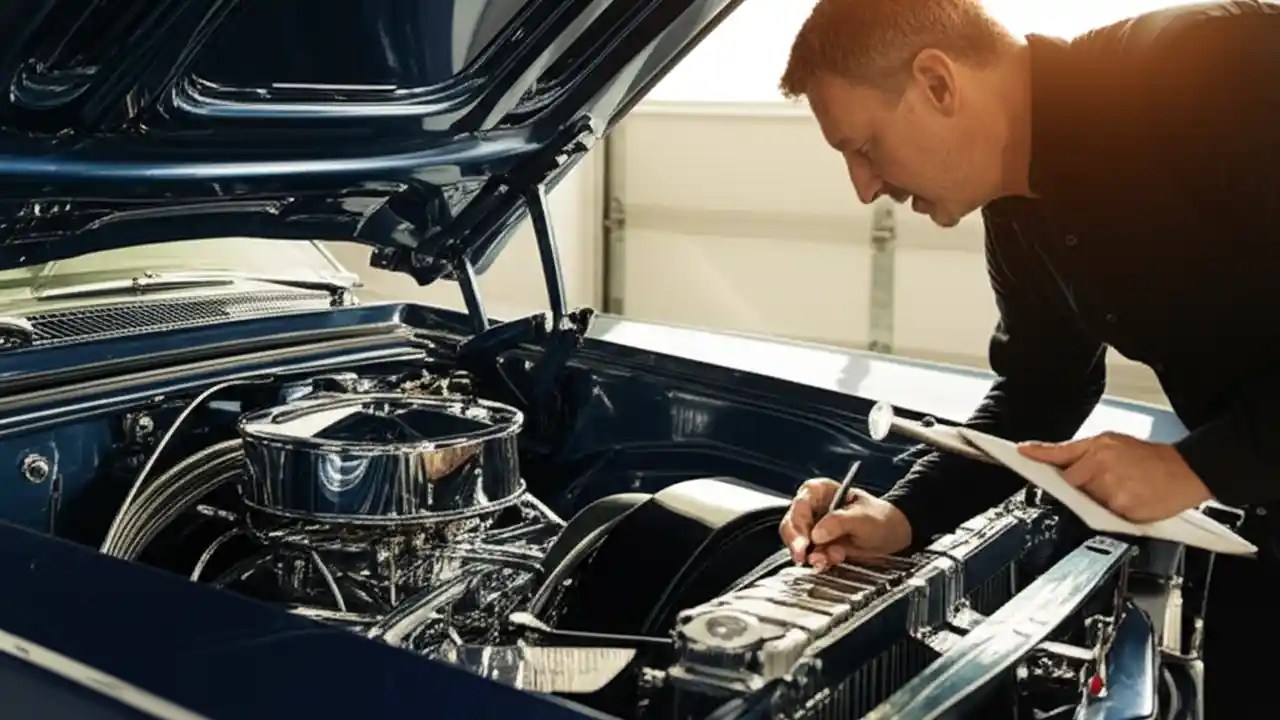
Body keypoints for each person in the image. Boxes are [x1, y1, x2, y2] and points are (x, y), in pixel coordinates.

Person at [772, 0, 1280, 715]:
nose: (865, 189)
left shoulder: (1213, 66)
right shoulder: (1017, 213)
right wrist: (903, 514)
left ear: (938, 83)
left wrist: (1197, 466)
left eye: (863, 146)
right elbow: (1039, 390)